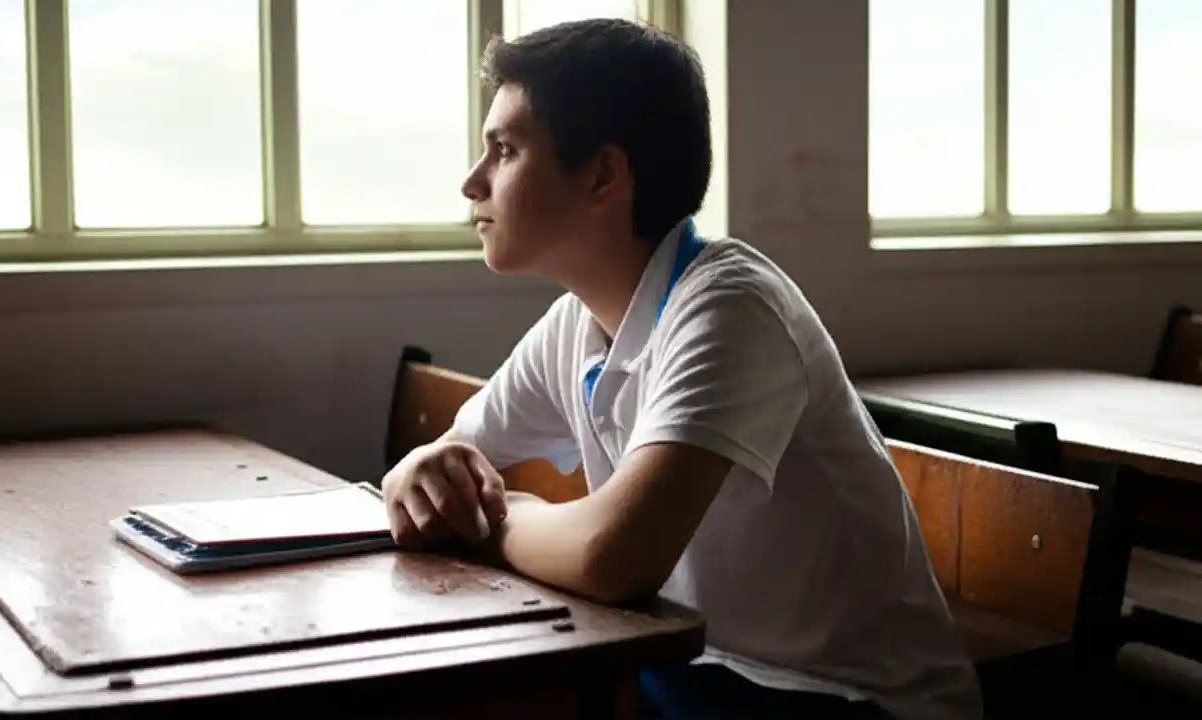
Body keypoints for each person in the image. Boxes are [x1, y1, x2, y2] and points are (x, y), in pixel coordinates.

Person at [380, 17, 983, 720]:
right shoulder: (580, 321)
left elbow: (613, 556)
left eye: (505, 151)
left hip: (842, 696)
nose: (471, 183)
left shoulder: (731, 307)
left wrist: (501, 515)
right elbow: (448, 459)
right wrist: (417, 472)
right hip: (698, 673)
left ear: (603, 175)